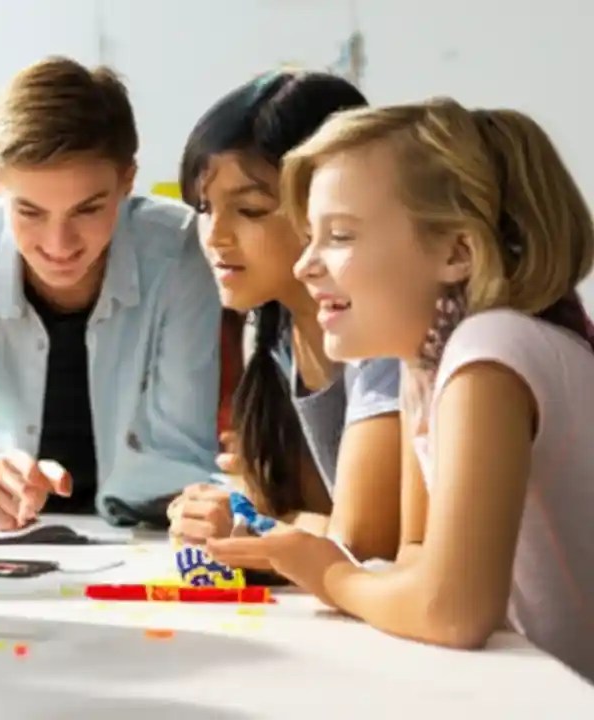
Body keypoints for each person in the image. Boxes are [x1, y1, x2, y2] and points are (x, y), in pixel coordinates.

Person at [209, 99, 594, 681]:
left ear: (456, 252)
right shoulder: (427, 365)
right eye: (310, 236)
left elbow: (453, 610)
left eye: (339, 235)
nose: (305, 266)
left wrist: (333, 576)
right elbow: (412, 558)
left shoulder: (488, 355)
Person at [0, 56, 222, 530]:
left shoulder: (179, 253)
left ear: (127, 181)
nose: (59, 245)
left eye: (88, 210)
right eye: (29, 212)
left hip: (143, 541)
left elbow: (182, 457)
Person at [168, 71, 403, 565]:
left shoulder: (391, 331)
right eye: (206, 208)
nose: (215, 236)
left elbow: (362, 545)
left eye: (250, 210)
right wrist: (234, 515)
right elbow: (303, 515)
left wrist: (255, 527)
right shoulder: (273, 329)